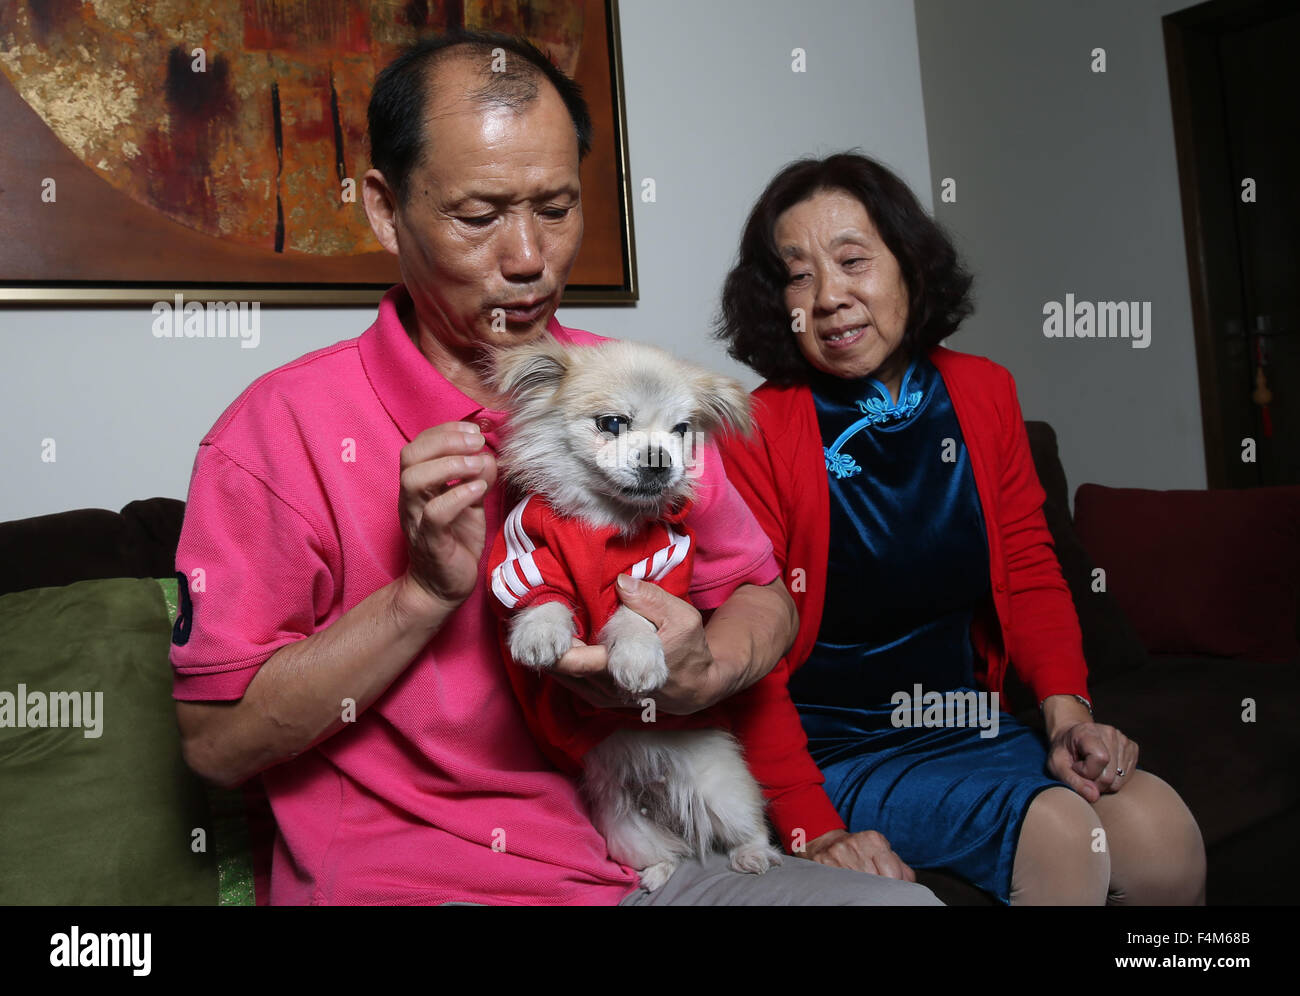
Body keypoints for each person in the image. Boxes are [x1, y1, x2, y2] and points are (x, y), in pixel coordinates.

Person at [168, 32, 940, 907]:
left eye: (557, 206)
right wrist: (419, 595)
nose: (531, 256)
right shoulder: (279, 433)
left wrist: (704, 670)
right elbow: (216, 745)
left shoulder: (642, 392)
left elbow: (765, 595)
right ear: (385, 210)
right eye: (481, 215)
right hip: (418, 882)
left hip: (653, 864)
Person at [715, 152, 1206, 904]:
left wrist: (1069, 717)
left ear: (909, 265)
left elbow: (1032, 568)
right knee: (1062, 833)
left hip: (969, 726)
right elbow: (745, 663)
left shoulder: (983, 391)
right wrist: (811, 823)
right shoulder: (754, 431)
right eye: (798, 275)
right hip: (836, 748)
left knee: (1162, 832)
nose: (830, 297)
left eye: (853, 261)